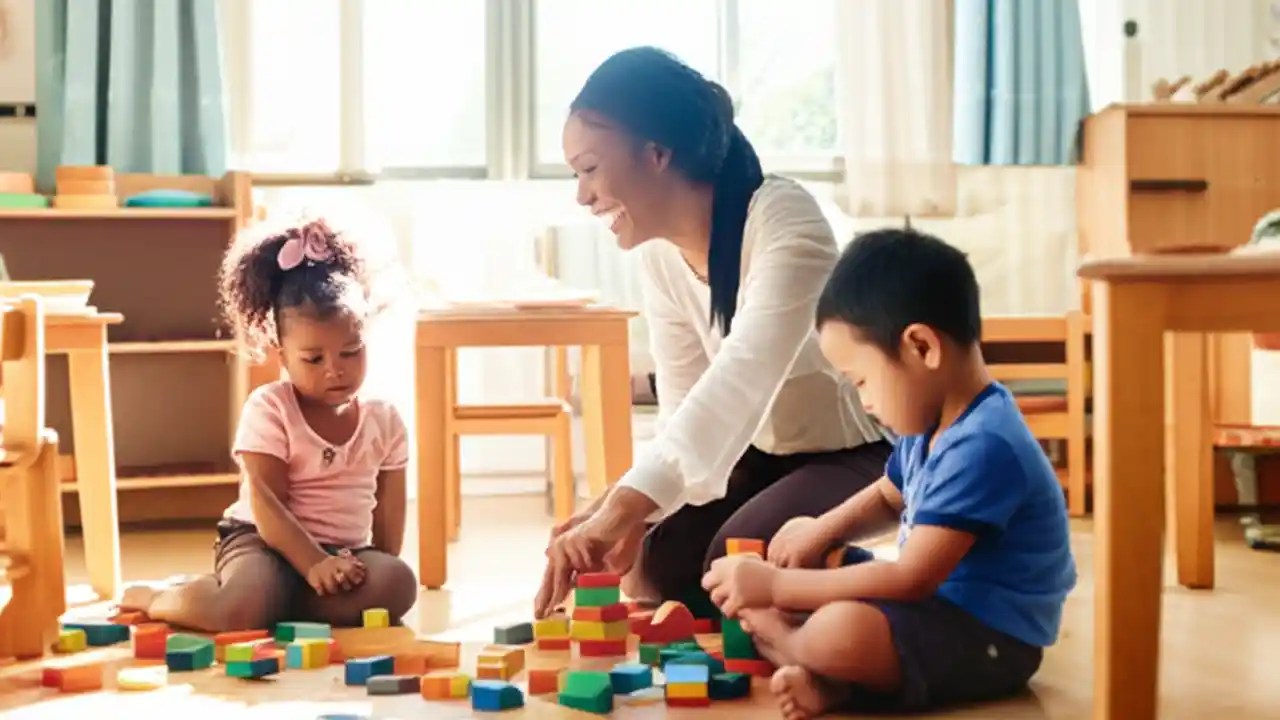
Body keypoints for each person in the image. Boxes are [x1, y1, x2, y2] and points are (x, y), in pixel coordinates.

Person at [534, 46, 889, 619]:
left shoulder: (786, 221)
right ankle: (807, 575)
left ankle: (874, 590)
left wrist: (622, 508)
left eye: (590, 169)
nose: (581, 195)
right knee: (650, 568)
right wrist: (616, 509)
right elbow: (685, 411)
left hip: (855, 454)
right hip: (758, 457)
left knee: (730, 557)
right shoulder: (661, 258)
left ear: (655, 153)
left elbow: (738, 383)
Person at [701, 228, 1078, 718]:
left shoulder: (985, 444)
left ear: (921, 347)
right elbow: (886, 496)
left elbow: (909, 580)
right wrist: (821, 532)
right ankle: (833, 682)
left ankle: (789, 645)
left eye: (861, 380)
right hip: (935, 608)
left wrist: (775, 589)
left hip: (990, 640)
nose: (865, 402)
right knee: (799, 534)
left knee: (840, 633)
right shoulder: (930, 423)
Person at [118, 215, 418, 631]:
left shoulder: (384, 420)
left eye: (350, 352)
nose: (335, 370)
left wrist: (375, 569)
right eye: (314, 359)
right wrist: (312, 562)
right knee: (241, 611)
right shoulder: (271, 407)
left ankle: (277, 604)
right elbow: (266, 504)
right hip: (262, 542)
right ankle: (161, 597)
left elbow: (388, 516)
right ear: (283, 355)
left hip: (339, 555)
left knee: (399, 584)